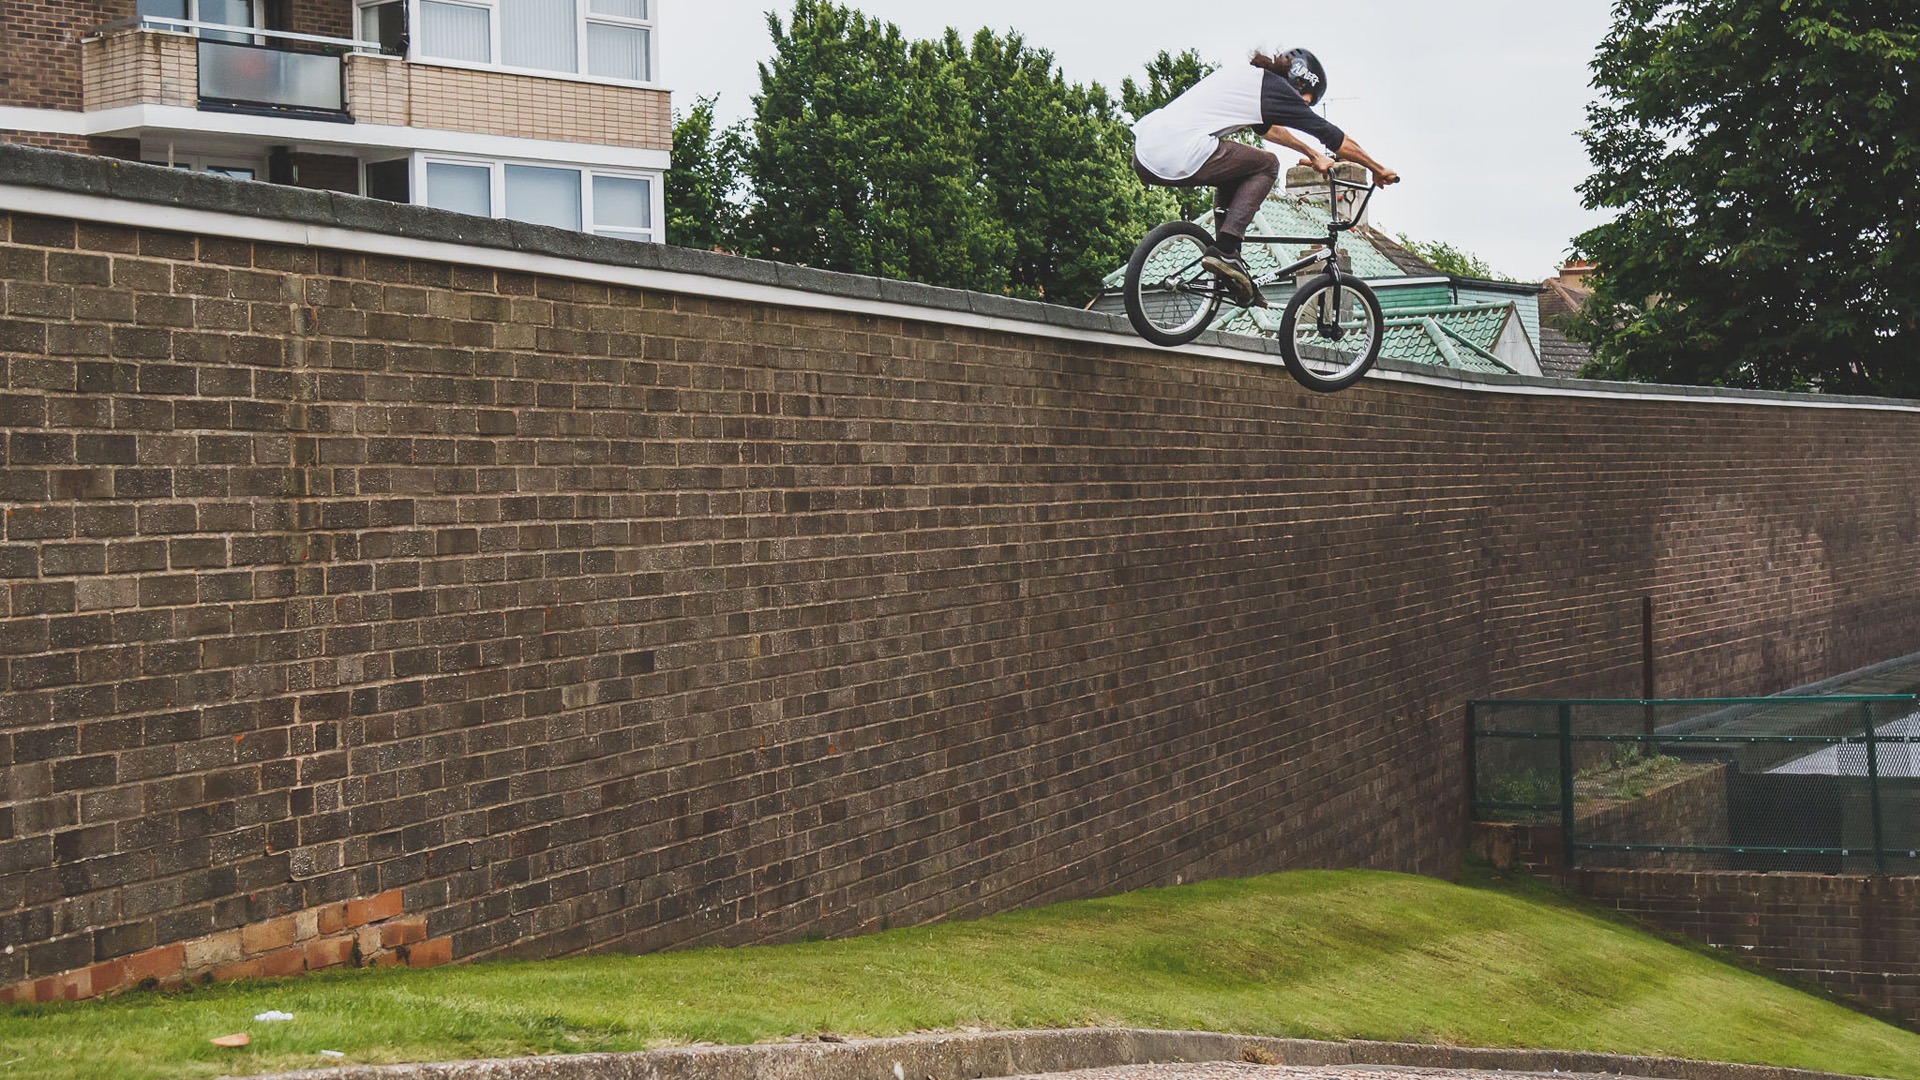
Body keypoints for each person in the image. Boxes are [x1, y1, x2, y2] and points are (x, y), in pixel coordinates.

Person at [1130, 49, 1400, 304]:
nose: (1303, 107)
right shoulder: (1275, 89)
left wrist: (1311, 153)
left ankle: (1227, 260)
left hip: (1145, 152)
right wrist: (1376, 168)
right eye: (1306, 101)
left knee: (1237, 170)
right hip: (1179, 152)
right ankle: (1226, 250)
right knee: (1267, 164)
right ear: (1298, 83)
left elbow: (1270, 130)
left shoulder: (1251, 83)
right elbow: (1335, 137)